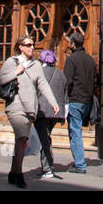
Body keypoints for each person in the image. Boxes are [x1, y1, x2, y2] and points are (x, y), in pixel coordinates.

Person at [0, 35, 59, 187]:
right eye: (28, 44)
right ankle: (18, 175)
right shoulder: (12, 62)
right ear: (21, 47)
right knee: (22, 137)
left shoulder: (36, 65)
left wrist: (53, 103)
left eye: (33, 45)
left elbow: (43, 85)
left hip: (30, 108)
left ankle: (12, 172)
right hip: (15, 107)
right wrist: (15, 72)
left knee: (21, 141)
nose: (32, 47)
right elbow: (0, 80)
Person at [63, 31, 96, 173]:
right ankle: (79, 161)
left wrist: (64, 99)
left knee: (75, 131)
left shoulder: (71, 60)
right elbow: (95, 80)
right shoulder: (90, 60)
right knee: (77, 130)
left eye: (69, 43)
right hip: (87, 101)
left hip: (75, 100)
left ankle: (80, 165)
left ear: (72, 44)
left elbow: (67, 81)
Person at [33, 48, 68, 179]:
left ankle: (48, 168)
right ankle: (46, 167)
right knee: (45, 137)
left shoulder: (39, 72)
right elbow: (65, 94)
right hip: (55, 112)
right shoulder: (60, 73)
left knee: (44, 139)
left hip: (42, 111)